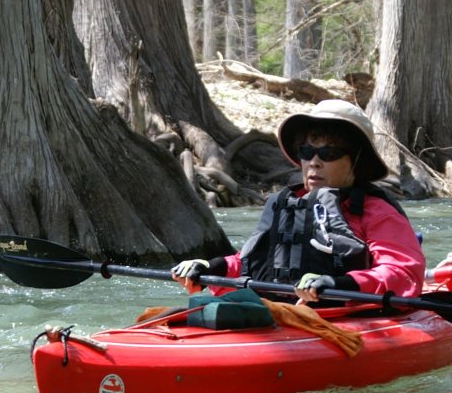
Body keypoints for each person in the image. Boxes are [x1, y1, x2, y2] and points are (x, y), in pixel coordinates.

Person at [171, 99, 425, 306]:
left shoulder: (377, 211)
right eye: (307, 151)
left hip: (343, 317)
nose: (314, 162)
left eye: (329, 153)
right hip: (276, 312)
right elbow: (251, 262)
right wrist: (209, 268)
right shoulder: (287, 202)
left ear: (357, 159)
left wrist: (337, 284)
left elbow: (403, 274)